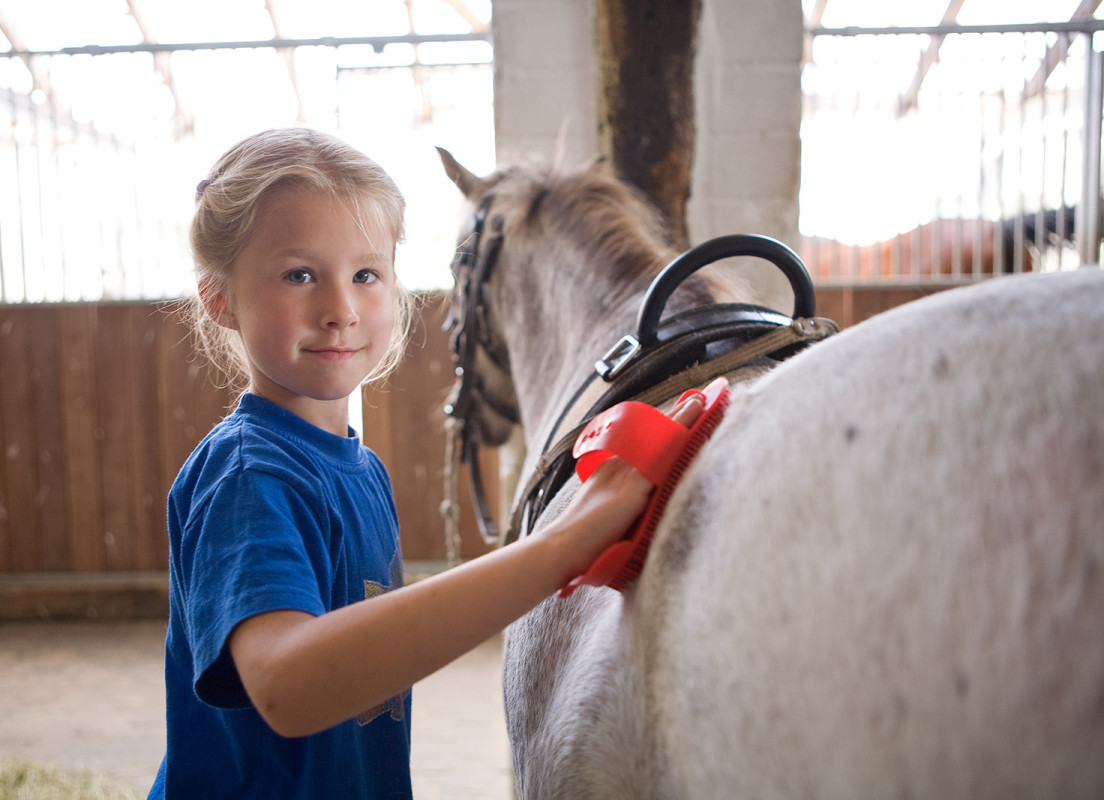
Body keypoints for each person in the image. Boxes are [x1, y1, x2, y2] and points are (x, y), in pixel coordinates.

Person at [147, 127, 704, 799]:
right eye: (300, 275)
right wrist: (562, 544)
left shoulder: (358, 467)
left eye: (366, 274)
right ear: (220, 297)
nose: (341, 311)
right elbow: (286, 687)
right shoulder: (248, 474)